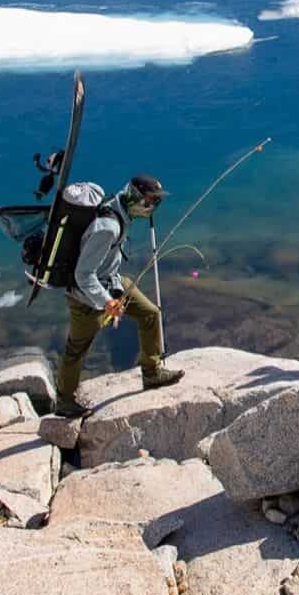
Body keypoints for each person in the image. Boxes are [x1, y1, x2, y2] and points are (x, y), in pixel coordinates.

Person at [53, 175, 184, 417]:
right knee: (77, 349)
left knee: (150, 313)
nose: (153, 206)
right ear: (135, 198)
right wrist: (107, 302)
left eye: (156, 201)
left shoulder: (119, 208)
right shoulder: (108, 227)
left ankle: (152, 372)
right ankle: (64, 401)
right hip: (86, 297)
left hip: (112, 281)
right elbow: (83, 274)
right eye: (150, 200)